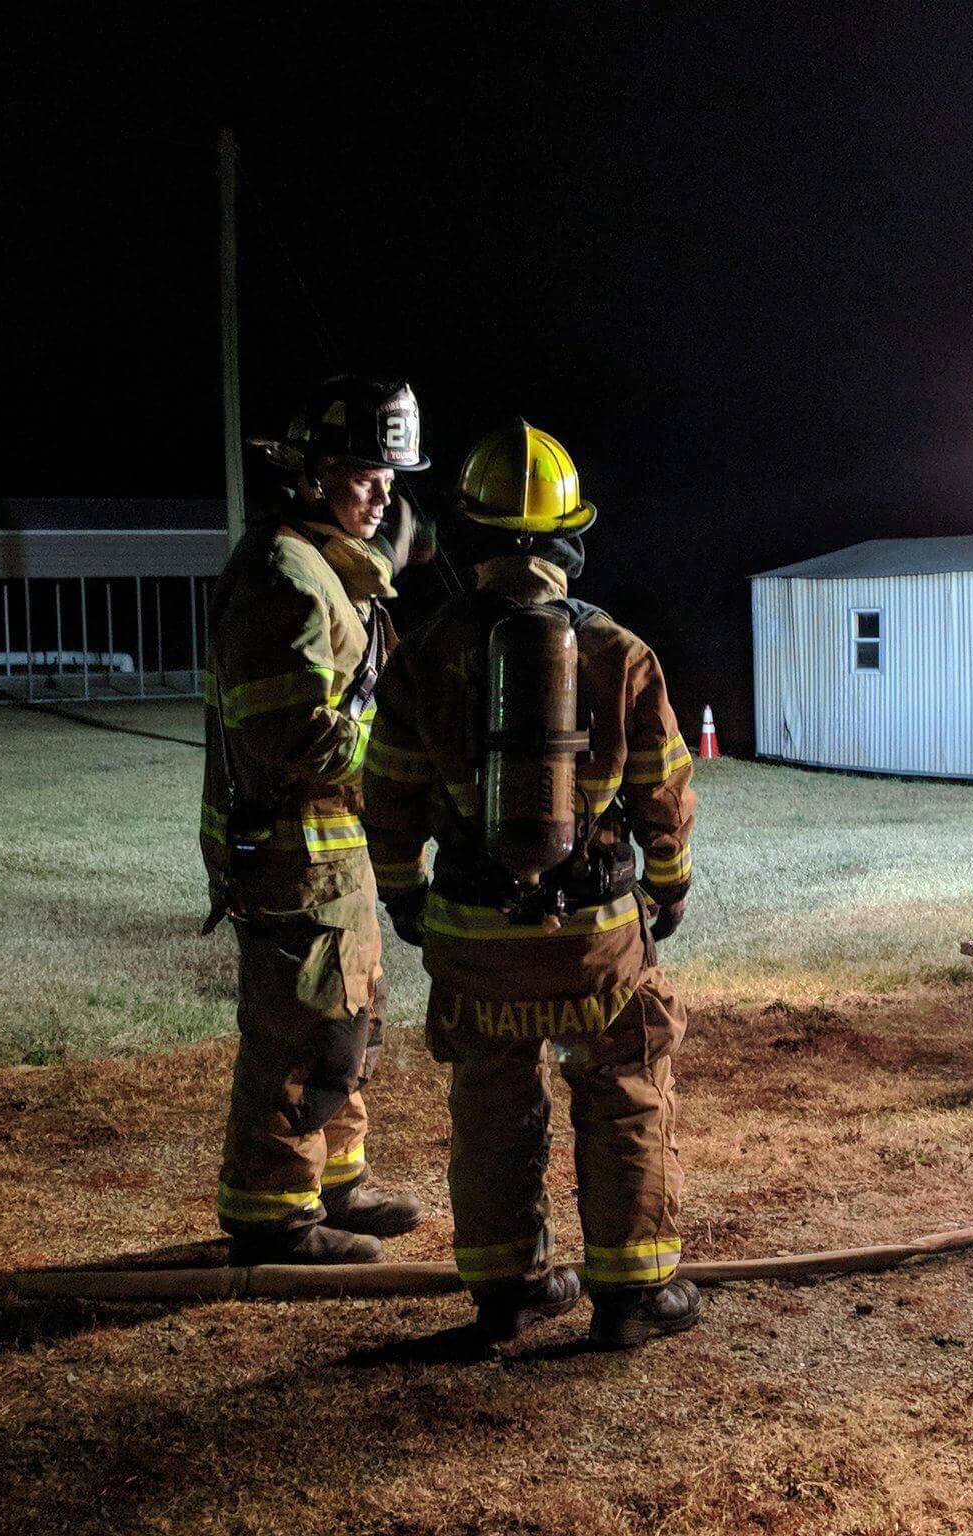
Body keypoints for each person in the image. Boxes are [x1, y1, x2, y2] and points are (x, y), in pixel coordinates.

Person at [362, 419, 700, 1346]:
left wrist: (402, 894)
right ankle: (632, 1298)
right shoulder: (619, 650)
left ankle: (507, 1292)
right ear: (570, 537)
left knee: (491, 1104)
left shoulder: (423, 653)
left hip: (473, 929)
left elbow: (386, 793)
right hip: (592, 932)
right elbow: (661, 790)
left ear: (469, 532)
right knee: (623, 1086)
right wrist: (667, 888)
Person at [199, 376, 430, 1265]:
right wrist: (402, 741)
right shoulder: (282, 575)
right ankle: (273, 1214)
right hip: (294, 850)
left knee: (349, 1016)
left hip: (337, 849)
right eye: (364, 478)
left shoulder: (331, 571)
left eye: (389, 480)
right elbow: (291, 736)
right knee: (299, 1028)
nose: (382, 499)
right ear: (310, 476)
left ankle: (338, 1185)